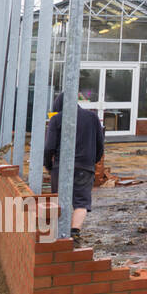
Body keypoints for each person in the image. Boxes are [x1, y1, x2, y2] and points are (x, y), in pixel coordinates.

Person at [43, 93, 105, 245]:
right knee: (81, 202)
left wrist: (49, 166)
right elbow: (100, 144)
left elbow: (49, 147)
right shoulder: (92, 118)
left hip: (60, 167)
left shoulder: (56, 119)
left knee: (59, 200)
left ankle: (58, 234)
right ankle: (74, 233)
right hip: (85, 166)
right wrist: (92, 162)